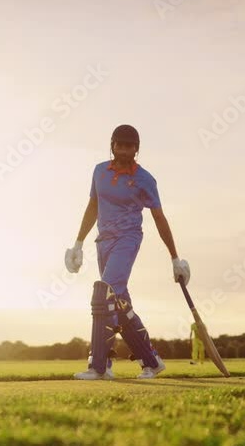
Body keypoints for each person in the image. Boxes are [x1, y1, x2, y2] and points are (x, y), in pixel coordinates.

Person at [65, 124, 191, 380]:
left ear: (137, 148)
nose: (123, 150)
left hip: (127, 239)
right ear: (112, 145)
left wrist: (174, 258)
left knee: (103, 293)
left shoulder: (145, 179)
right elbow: (93, 206)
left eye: (129, 146)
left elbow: (159, 217)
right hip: (103, 241)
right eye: (119, 145)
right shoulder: (99, 171)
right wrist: (78, 243)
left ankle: (99, 365)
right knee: (119, 304)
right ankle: (151, 361)